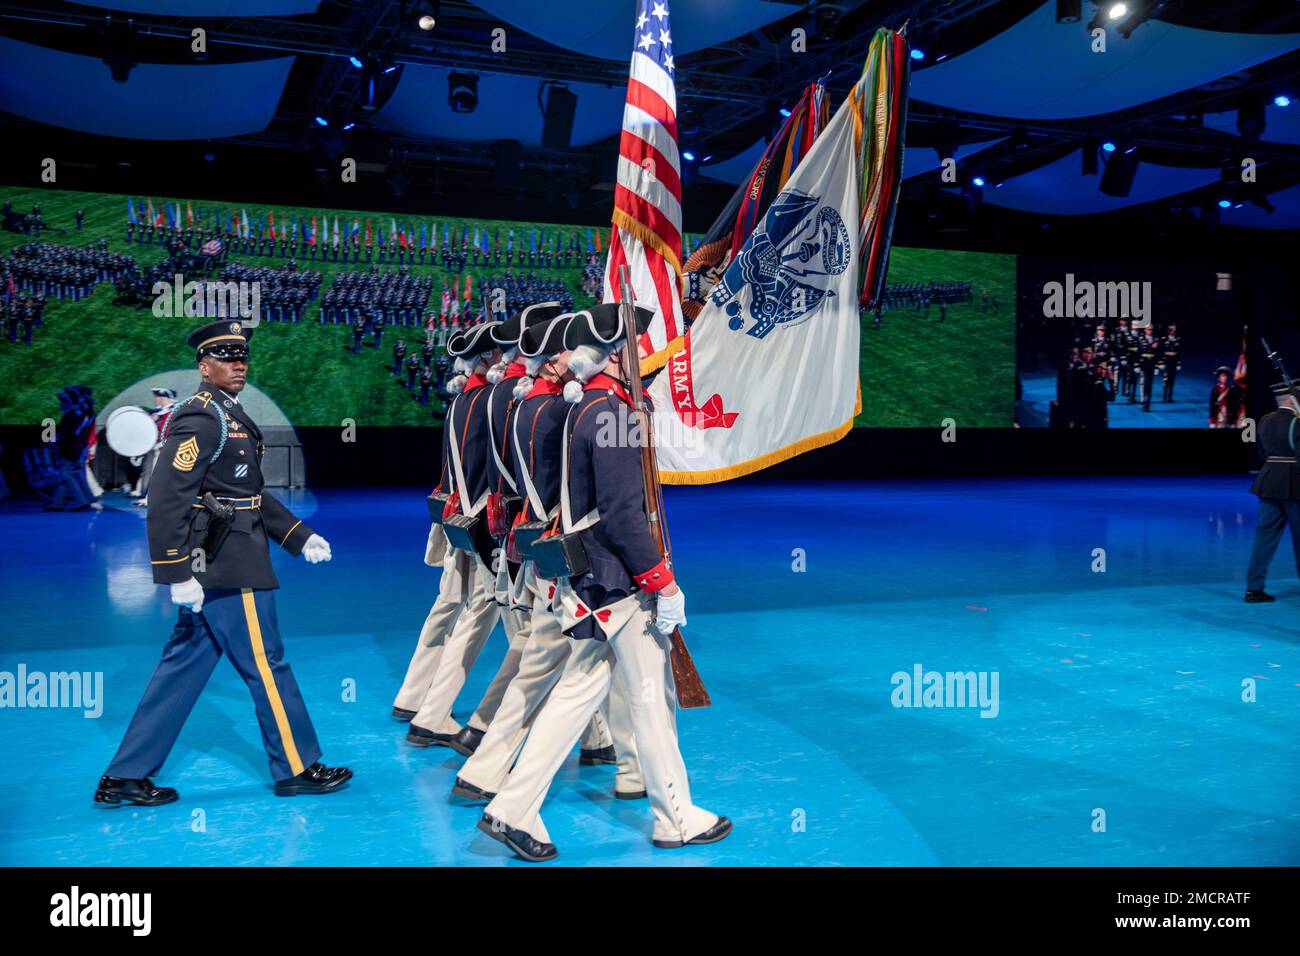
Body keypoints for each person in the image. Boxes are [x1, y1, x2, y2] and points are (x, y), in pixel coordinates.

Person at [480, 302, 730, 862]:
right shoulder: (615, 413)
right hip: (618, 583)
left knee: (579, 694)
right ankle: (675, 817)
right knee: (650, 697)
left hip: (588, 580)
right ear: (617, 352)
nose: (643, 353)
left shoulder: (584, 407)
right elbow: (623, 514)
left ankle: (513, 807)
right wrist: (662, 583)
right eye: (635, 345)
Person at [95, 320, 351, 806]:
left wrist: (299, 535)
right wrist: (175, 572)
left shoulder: (225, 413)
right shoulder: (201, 418)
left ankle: (126, 775)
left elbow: (244, 494)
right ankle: (296, 766)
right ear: (203, 365)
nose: (238, 364)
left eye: (243, 356)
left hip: (222, 557)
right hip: (229, 564)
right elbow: (168, 497)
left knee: (183, 667)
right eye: (226, 356)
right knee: (267, 663)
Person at [452, 309, 633, 805]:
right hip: (572, 553)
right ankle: (629, 769)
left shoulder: (523, 403)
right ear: (554, 361)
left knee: (542, 662)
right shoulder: (561, 410)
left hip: (534, 542)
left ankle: (493, 760)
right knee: (567, 664)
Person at [402, 322, 506, 746]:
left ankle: (413, 696)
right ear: (489, 359)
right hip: (484, 522)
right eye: (502, 352)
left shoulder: (463, 399)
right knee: (484, 610)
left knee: (449, 605)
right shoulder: (492, 401)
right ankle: (432, 712)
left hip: (458, 514)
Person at [1244, 378, 1300, 602]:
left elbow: (1261, 452)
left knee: (1264, 537)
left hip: (1268, 482)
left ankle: (1253, 588)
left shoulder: (1265, 420)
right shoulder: (1297, 423)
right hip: (1294, 485)